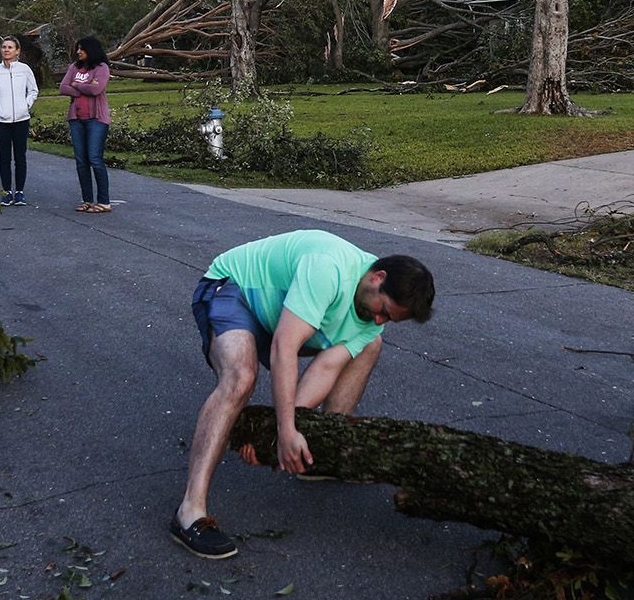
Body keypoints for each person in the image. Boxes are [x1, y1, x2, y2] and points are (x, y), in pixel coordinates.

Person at [173, 229, 436, 559]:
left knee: (370, 343)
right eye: (382, 309)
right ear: (376, 277)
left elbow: (325, 369)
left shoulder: (374, 317)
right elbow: (285, 346)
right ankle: (189, 511)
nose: (380, 319)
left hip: (279, 313)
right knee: (241, 378)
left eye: (390, 318)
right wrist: (283, 431)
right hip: (233, 289)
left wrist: (275, 440)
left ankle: (316, 452)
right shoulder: (327, 268)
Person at [0, 35, 38, 206]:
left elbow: (33, 90)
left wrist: (25, 105)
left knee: (20, 157)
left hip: (21, 120)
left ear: (17, 51)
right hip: (1, 121)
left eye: (10, 47)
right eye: (4, 47)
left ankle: (19, 192)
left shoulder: (24, 69)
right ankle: (6, 192)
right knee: (4, 157)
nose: (6, 50)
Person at [59, 36, 112, 212]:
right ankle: (87, 200)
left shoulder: (102, 68)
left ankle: (104, 201)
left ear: (91, 50)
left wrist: (76, 84)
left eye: (81, 48)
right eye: (77, 48)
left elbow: (97, 89)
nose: (78, 52)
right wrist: (85, 85)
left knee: (95, 159)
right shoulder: (74, 67)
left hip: (96, 120)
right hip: (76, 120)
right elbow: (63, 87)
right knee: (81, 161)